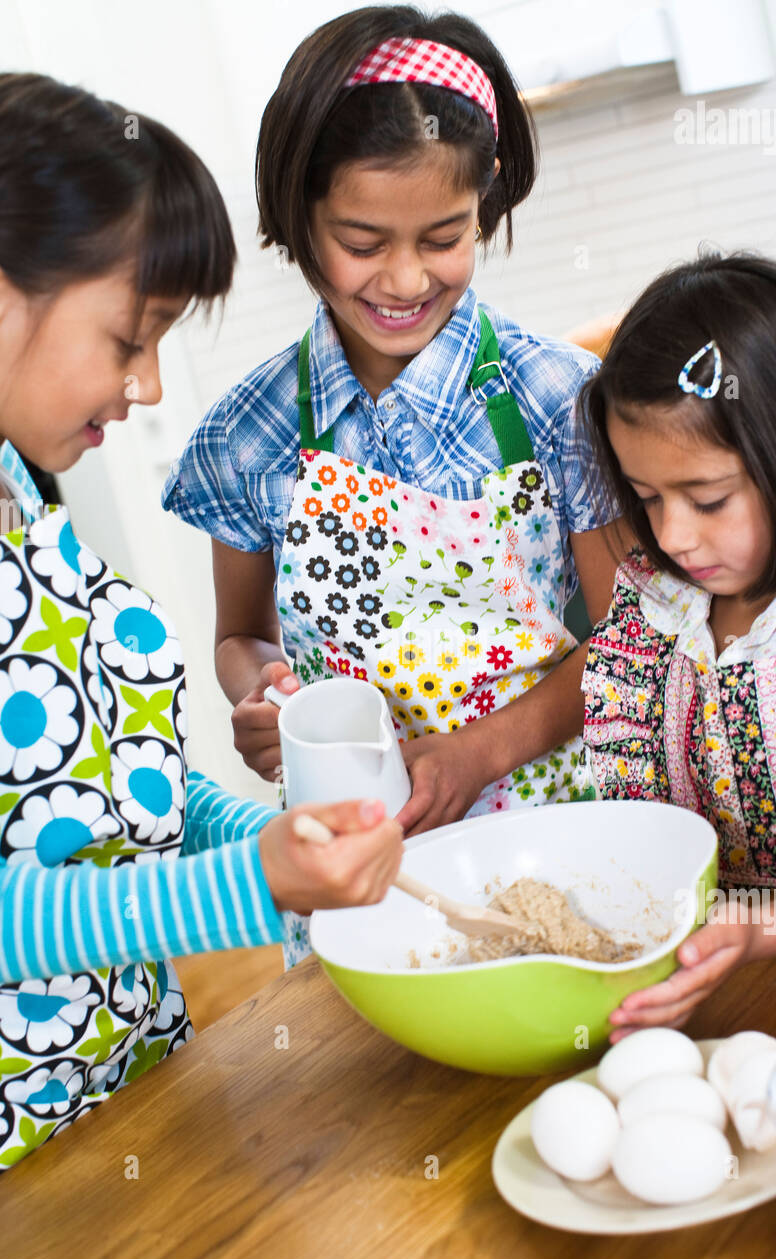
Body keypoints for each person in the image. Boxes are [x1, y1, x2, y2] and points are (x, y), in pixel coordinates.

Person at [0, 73, 403, 1169]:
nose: (146, 388)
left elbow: (109, 805)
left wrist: (282, 842)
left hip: (131, 1095)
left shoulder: (27, 499)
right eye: (131, 338)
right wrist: (250, 884)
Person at [161, 6, 621, 924]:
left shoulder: (559, 399)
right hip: (364, 869)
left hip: (563, 830)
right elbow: (238, 639)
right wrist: (265, 698)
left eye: (444, 238)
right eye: (364, 244)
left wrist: (479, 752)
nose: (406, 280)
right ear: (299, 218)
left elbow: (627, 646)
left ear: (484, 207)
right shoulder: (249, 435)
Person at [578, 251, 776, 1038]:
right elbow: (635, 811)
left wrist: (758, 928)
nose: (672, 535)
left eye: (707, 499)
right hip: (709, 985)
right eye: (646, 498)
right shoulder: (652, 613)